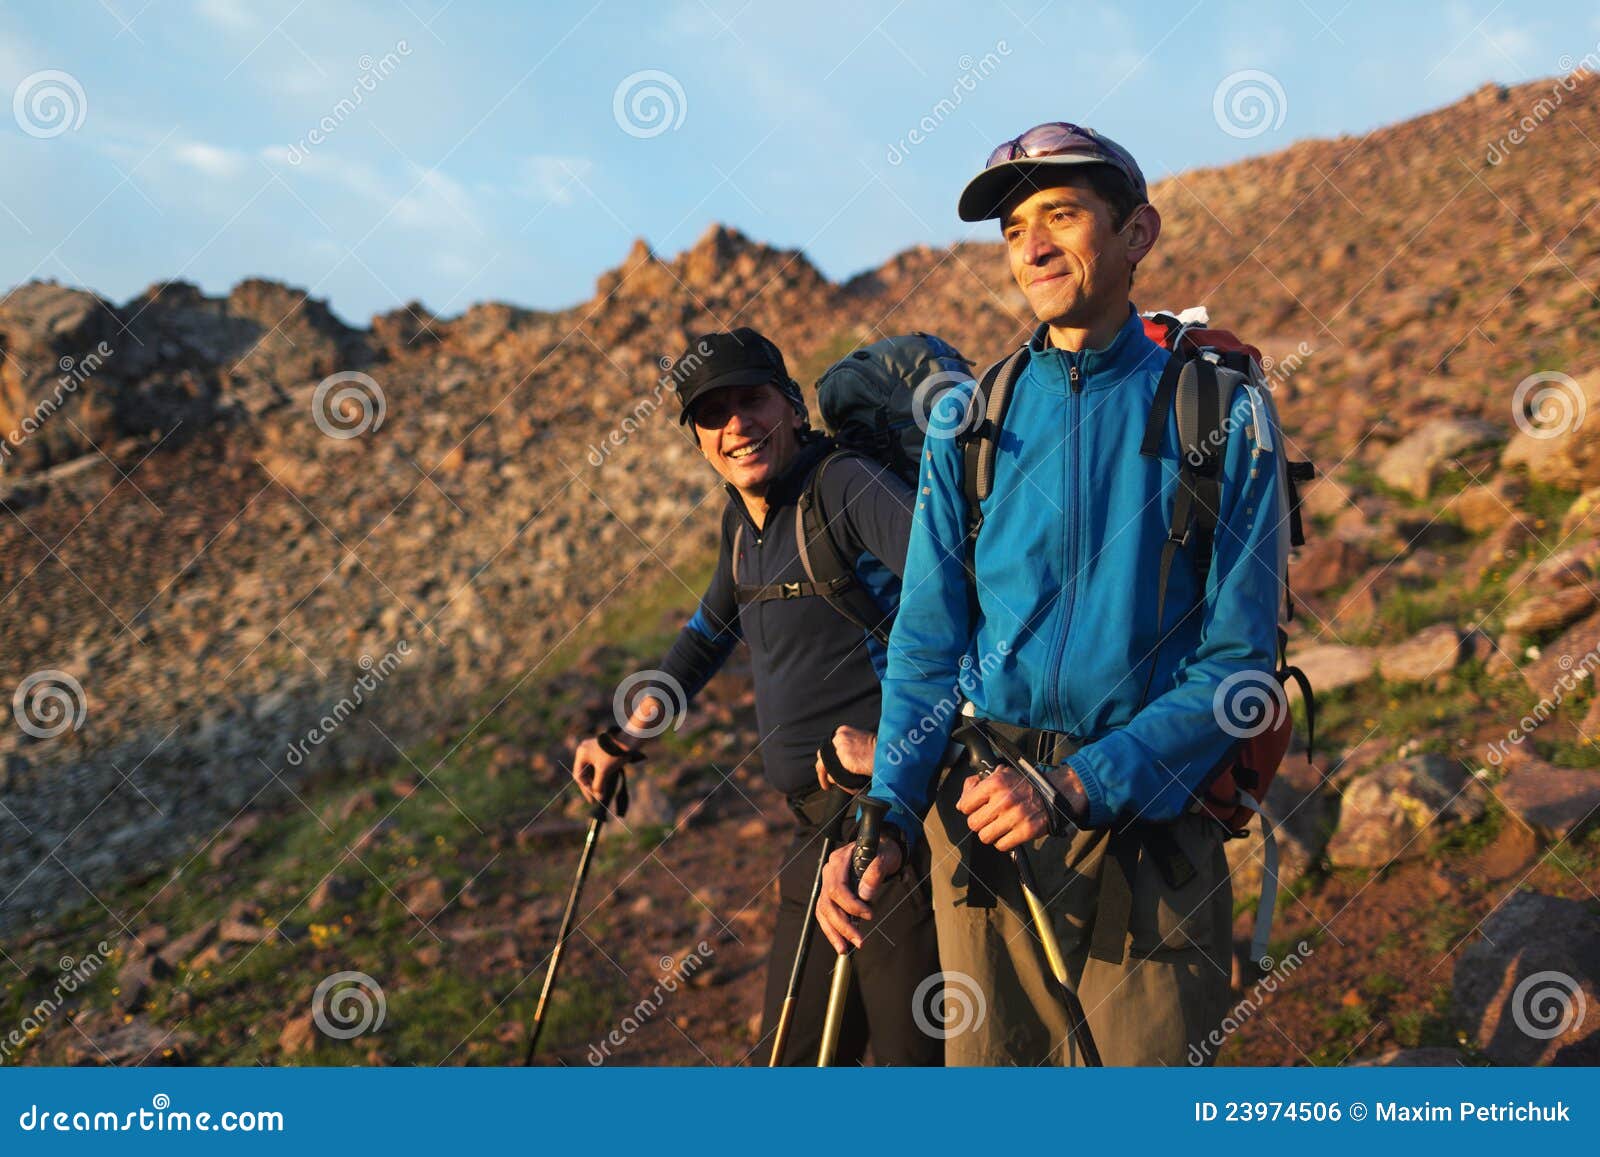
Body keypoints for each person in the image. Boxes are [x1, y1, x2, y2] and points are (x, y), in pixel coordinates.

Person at [815, 123, 1286, 1065]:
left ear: (1137, 234)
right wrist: (892, 815)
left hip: (1151, 831)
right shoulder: (971, 420)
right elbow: (926, 648)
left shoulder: (1221, 413)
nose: (1030, 245)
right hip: (984, 830)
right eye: (1014, 227)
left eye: (1061, 216)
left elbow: (1240, 669)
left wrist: (1076, 783)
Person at [570, 327, 942, 1066]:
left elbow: (958, 592)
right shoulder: (743, 520)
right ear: (698, 437)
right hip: (813, 836)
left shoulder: (844, 485)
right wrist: (621, 739)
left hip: (894, 833)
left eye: (753, 400)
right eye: (713, 413)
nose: (736, 424)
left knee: (914, 1072)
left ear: (792, 406)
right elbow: (709, 632)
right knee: (789, 1065)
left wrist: (900, 750)